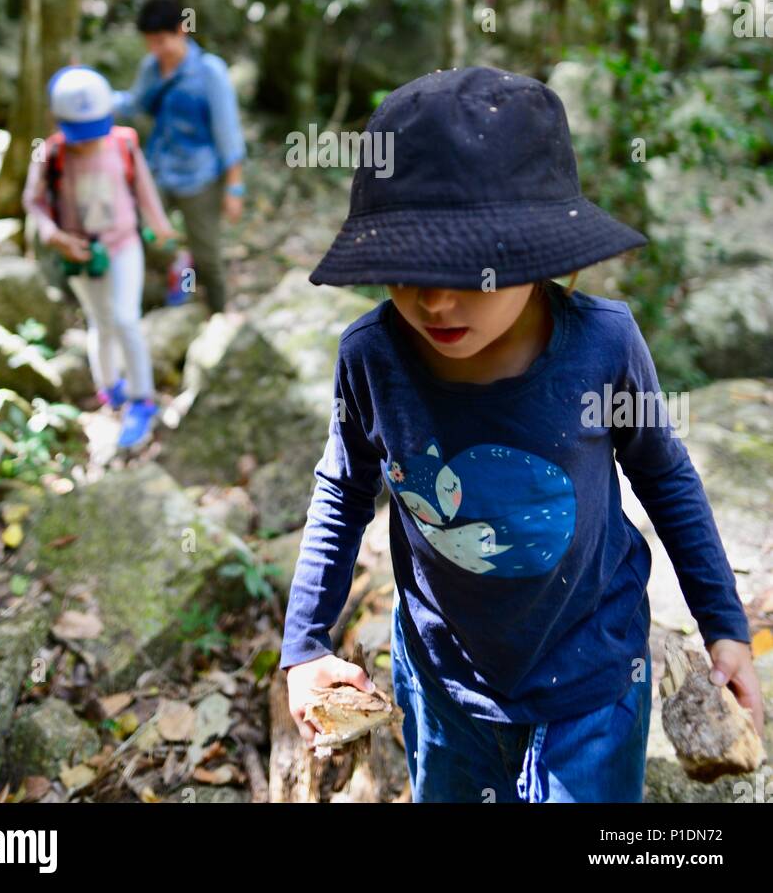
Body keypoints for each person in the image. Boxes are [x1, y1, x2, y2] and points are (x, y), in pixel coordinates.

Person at [280, 65, 763, 804]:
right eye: (406, 268)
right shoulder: (372, 358)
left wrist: (722, 625)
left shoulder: (602, 348)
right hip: (444, 679)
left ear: (543, 258)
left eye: (468, 272)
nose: (434, 299)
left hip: (594, 676)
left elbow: (663, 476)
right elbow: (343, 490)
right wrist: (306, 645)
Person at [23, 65, 177, 451]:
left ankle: (142, 400)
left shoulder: (123, 142)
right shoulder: (51, 151)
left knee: (125, 319)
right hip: (79, 252)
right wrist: (50, 233)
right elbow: (33, 199)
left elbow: (144, 190)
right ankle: (110, 388)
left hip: (123, 244)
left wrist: (162, 229)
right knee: (101, 322)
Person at [113, 0, 246, 316]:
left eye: (162, 41)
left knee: (208, 256)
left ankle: (218, 316)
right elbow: (134, 105)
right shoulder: (151, 68)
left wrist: (234, 188)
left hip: (200, 176)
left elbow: (228, 133)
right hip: (159, 168)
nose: (156, 49)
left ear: (181, 30)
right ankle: (176, 272)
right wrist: (93, 96)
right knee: (141, 233)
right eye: (150, 43)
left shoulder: (209, 71)